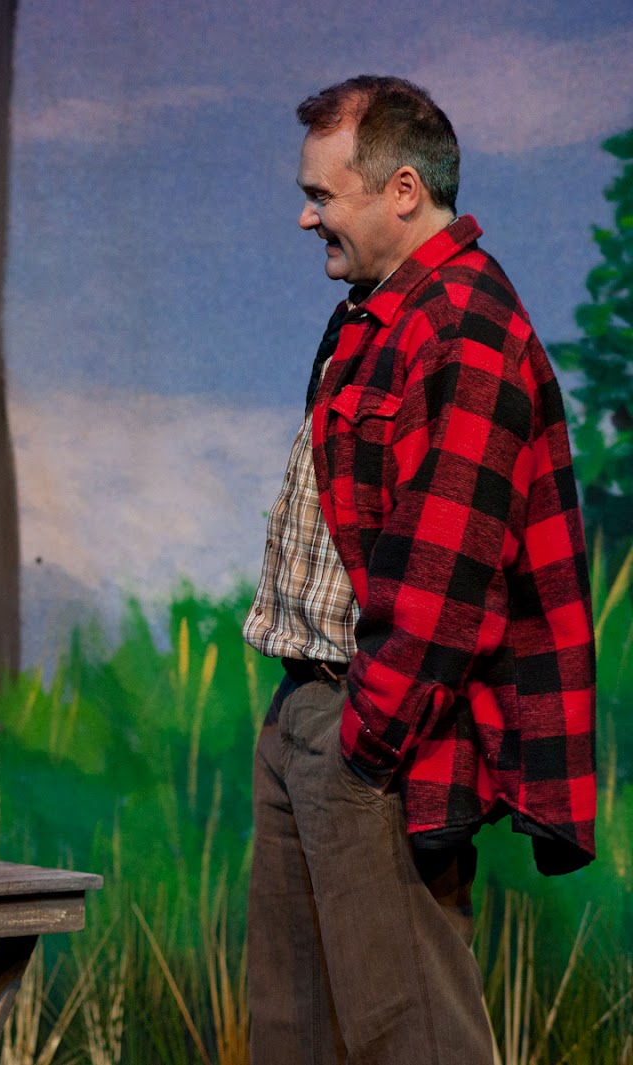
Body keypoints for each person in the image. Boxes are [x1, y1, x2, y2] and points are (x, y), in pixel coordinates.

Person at [243, 75, 596, 1064]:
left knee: (412, 1035)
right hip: (308, 711)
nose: (303, 213)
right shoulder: (378, 312)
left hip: (378, 728)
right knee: (294, 1029)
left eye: (323, 193)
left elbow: (447, 587)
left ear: (401, 189)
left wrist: (369, 741)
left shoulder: (464, 328)